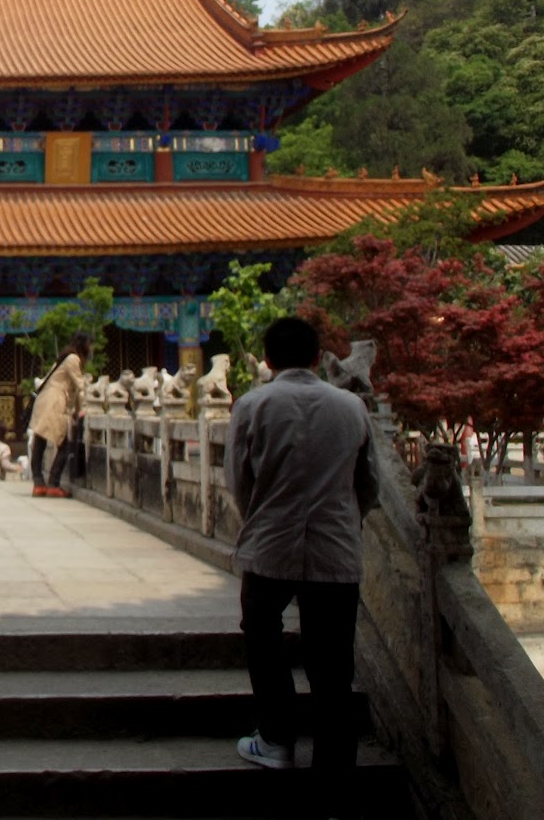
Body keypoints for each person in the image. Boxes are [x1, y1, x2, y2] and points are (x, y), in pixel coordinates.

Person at [225, 317, 379, 819]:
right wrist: (345, 520)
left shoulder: (253, 405)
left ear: (268, 359)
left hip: (270, 543)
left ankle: (276, 738)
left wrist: (261, 518)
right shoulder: (351, 407)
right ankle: (334, 791)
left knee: (261, 635)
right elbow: (370, 484)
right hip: (336, 550)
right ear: (318, 357)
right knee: (333, 669)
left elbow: (239, 480)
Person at [28, 333, 91, 498]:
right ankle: (53, 483)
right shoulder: (73, 359)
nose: (91, 348)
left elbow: (73, 388)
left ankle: (38, 483)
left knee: (40, 441)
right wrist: (84, 407)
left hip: (45, 400)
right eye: (89, 344)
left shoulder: (64, 358)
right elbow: (80, 385)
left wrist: (77, 409)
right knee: (64, 444)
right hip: (55, 402)